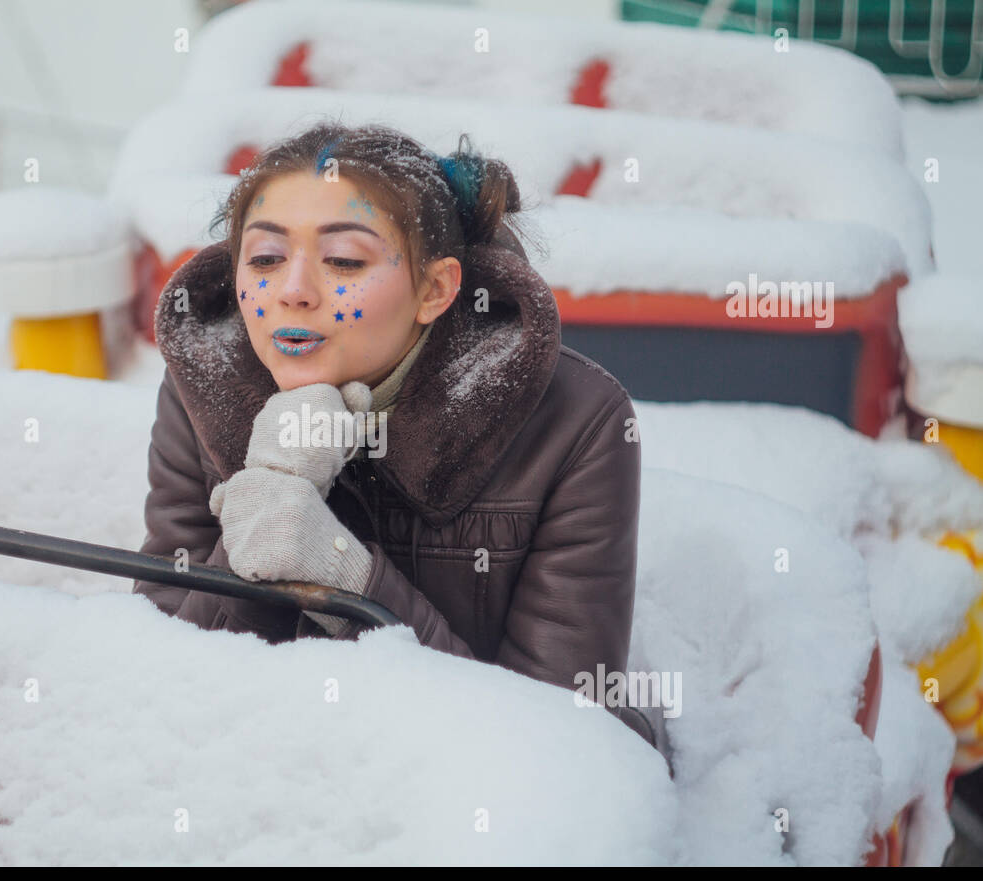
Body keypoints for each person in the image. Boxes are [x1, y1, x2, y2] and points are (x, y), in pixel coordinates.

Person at [133, 122, 669, 762]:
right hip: (252, 777)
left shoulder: (575, 421)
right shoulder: (205, 384)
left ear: (435, 289)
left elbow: (558, 739)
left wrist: (345, 579)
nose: (294, 291)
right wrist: (271, 497)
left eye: (344, 261)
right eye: (267, 259)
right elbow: (158, 685)